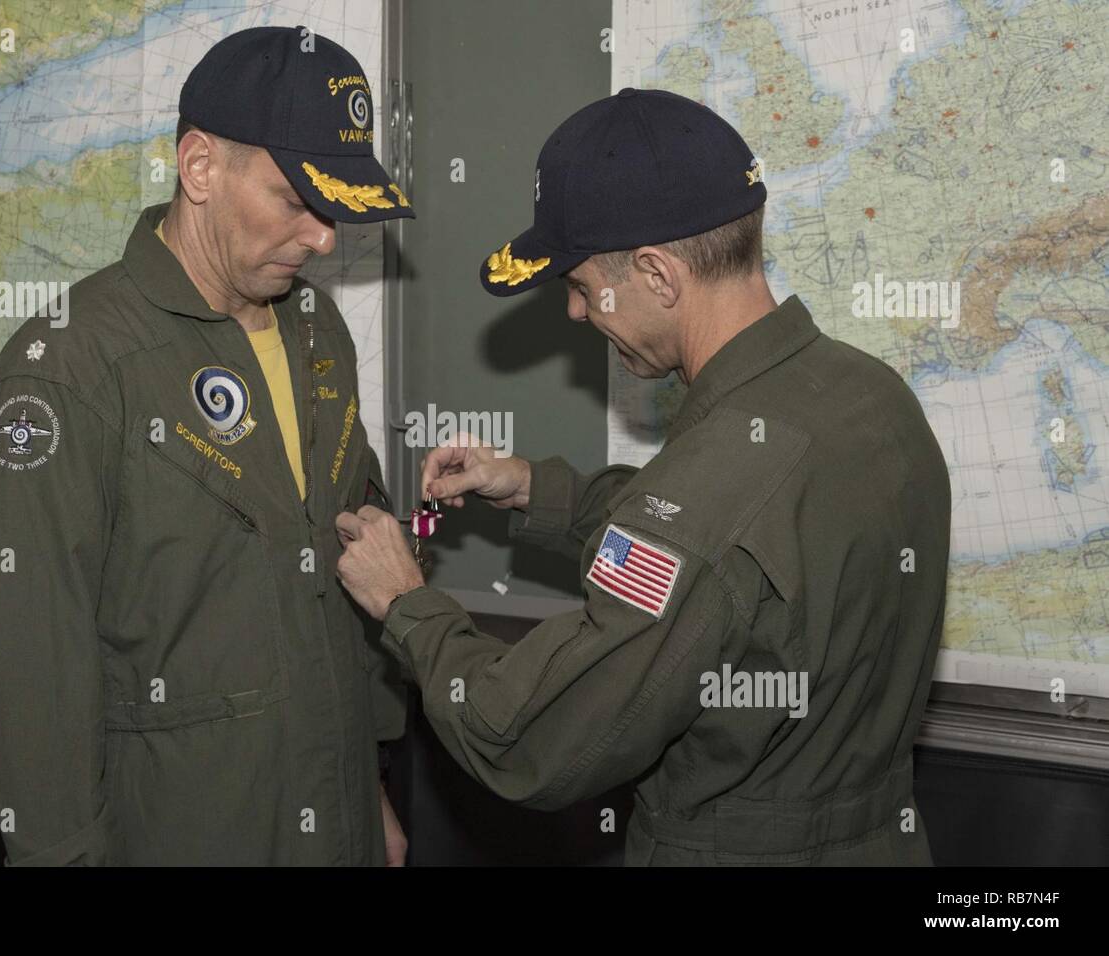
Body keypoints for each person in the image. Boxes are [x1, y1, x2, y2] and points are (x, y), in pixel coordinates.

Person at [335, 88, 951, 865]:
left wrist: (406, 604)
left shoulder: (718, 481)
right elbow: (741, 564)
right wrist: (531, 485)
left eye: (582, 286)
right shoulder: (870, 397)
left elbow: (526, 738)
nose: (575, 314)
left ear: (657, 275)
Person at [0, 26, 413, 865]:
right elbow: (19, 670)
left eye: (334, 206)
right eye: (295, 201)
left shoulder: (315, 330)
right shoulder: (69, 375)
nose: (323, 239)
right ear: (200, 167)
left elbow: (351, 558)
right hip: (183, 829)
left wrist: (368, 782)